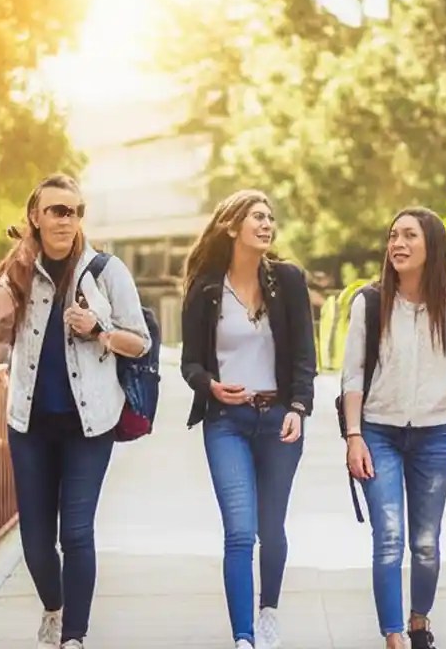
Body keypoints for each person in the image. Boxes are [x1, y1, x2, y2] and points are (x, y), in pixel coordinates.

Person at [0, 173, 152, 649]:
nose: (66, 220)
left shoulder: (106, 270)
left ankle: (73, 637)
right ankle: (54, 610)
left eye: (74, 211)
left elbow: (139, 343)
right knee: (37, 541)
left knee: (77, 531)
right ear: (35, 217)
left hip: (90, 424)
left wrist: (98, 328)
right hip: (30, 425)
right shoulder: (16, 270)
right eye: (56, 210)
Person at [339, 207, 446, 649]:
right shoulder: (369, 302)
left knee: (425, 543)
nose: (398, 244)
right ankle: (394, 636)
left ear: (432, 246)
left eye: (409, 236)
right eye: (393, 236)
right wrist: (354, 436)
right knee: (388, 537)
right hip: (378, 433)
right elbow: (352, 374)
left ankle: (419, 620)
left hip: (433, 436)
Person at [179, 189, 317, 649]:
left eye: (270, 217)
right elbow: (191, 364)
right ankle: (244, 638)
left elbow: (303, 356)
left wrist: (299, 408)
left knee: (270, 528)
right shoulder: (205, 289)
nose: (266, 224)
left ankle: (268, 612)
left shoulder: (289, 281)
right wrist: (211, 387)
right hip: (227, 423)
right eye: (257, 216)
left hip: (279, 419)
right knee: (239, 531)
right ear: (232, 226)